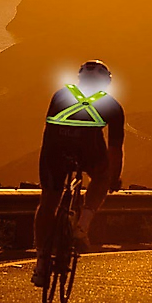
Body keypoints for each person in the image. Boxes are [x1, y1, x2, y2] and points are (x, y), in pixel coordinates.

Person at [31, 60, 124, 286]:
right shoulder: (112, 105)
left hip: (54, 150)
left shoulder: (60, 95)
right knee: (102, 177)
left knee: (48, 202)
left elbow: (49, 130)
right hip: (90, 151)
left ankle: (41, 262)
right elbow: (115, 149)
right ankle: (82, 225)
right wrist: (114, 178)